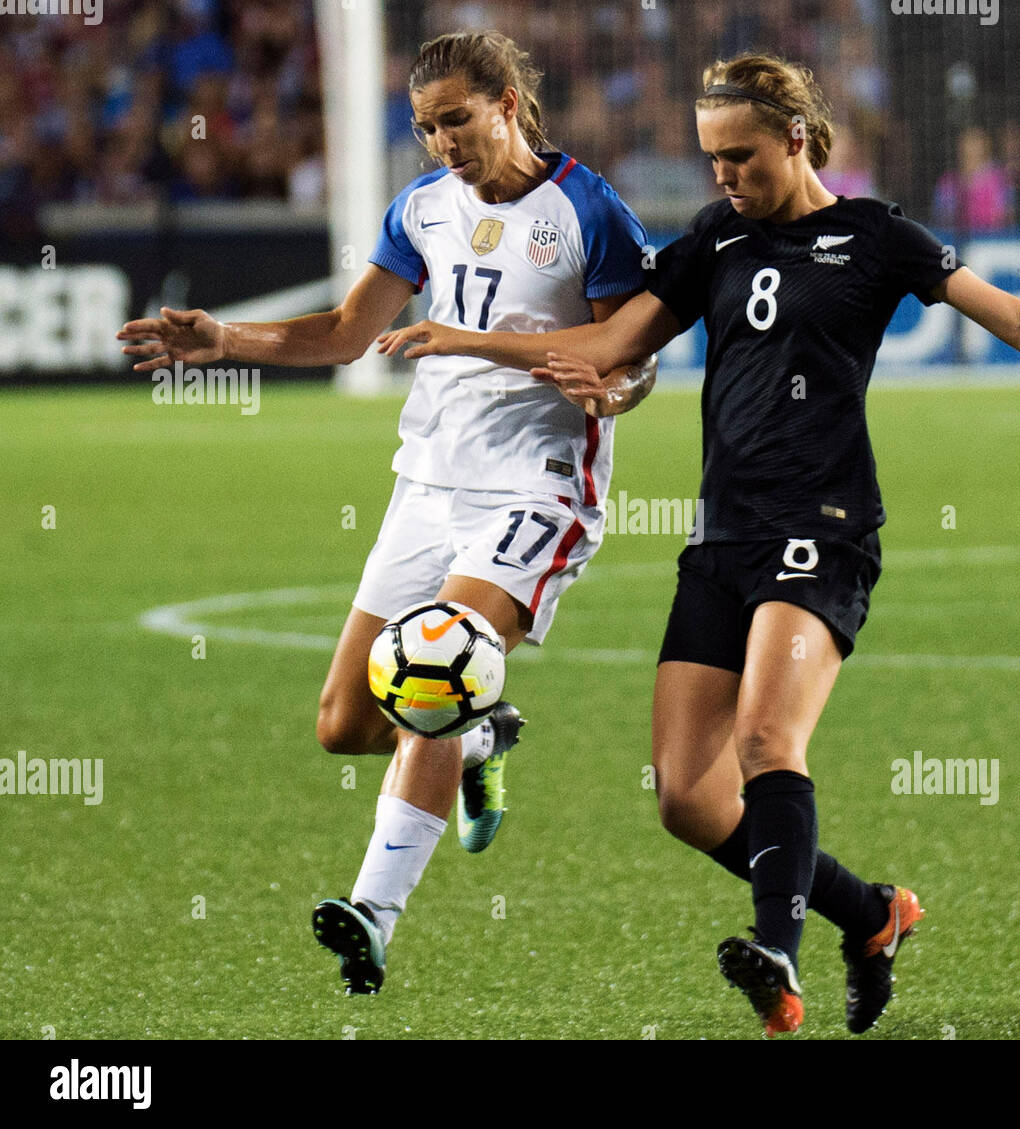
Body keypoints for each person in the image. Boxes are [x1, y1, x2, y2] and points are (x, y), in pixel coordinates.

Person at [377, 52, 1020, 1036]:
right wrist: (465, 338)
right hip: (723, 535)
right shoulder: (715, 240)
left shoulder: (874, 237)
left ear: (797, 140)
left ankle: (776, 949)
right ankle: (870, 912)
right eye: (710, 157)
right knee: (686, 797)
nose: (721, 176)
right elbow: (607, 347)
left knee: (770, 739)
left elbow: (1015, 315)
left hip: (826, 528)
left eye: (738, 156)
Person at [117, 31, 656, 995]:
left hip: (535, 486)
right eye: (425, 127)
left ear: (508, 104)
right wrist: (222, 338)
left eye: (458, 118)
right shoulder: (420, 209)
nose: (443, 141)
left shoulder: (587, 208)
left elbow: (632, 351)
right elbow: (340, 331)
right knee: (342, 723)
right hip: (428, 485)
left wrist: (587, 384)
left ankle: (371, 912)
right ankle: (481, 736)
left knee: (438, 669)